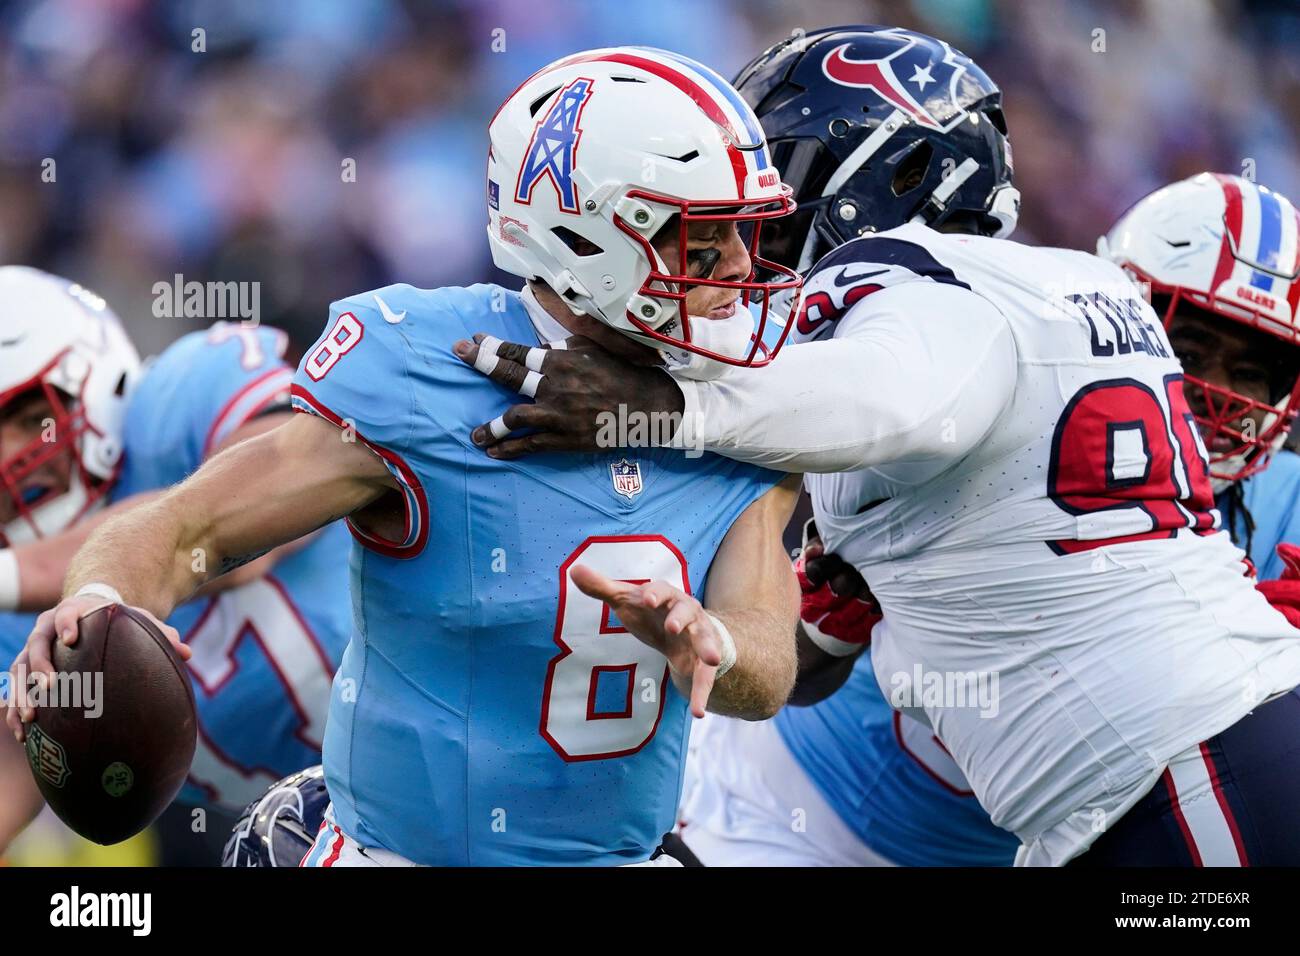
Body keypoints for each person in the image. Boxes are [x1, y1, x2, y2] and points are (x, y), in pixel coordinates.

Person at [450, 28, 1300, 866]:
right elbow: (816, 661)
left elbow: (888, 397)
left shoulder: (925, 296)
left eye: (775, 216)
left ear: (889, 178)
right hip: (1159, 775)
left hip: (1178, 772)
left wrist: (663, 406)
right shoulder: (1052, 296)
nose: (752, 257)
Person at [11, 47, 804, 867]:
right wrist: (98, 600)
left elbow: (768, 658)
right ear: (592, 233)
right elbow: (183, 530)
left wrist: (717, 644)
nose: (743, 270)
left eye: (744, 233)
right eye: (705, 241)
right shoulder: (427, 367)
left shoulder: (740, 399)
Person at [0, 266, 350, 853]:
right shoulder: (9, 623)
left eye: (19, 414)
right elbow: (11, 778)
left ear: (87, 376)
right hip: (328, 834)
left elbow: (266, 498)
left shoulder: (179, 395)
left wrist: (21, 574)